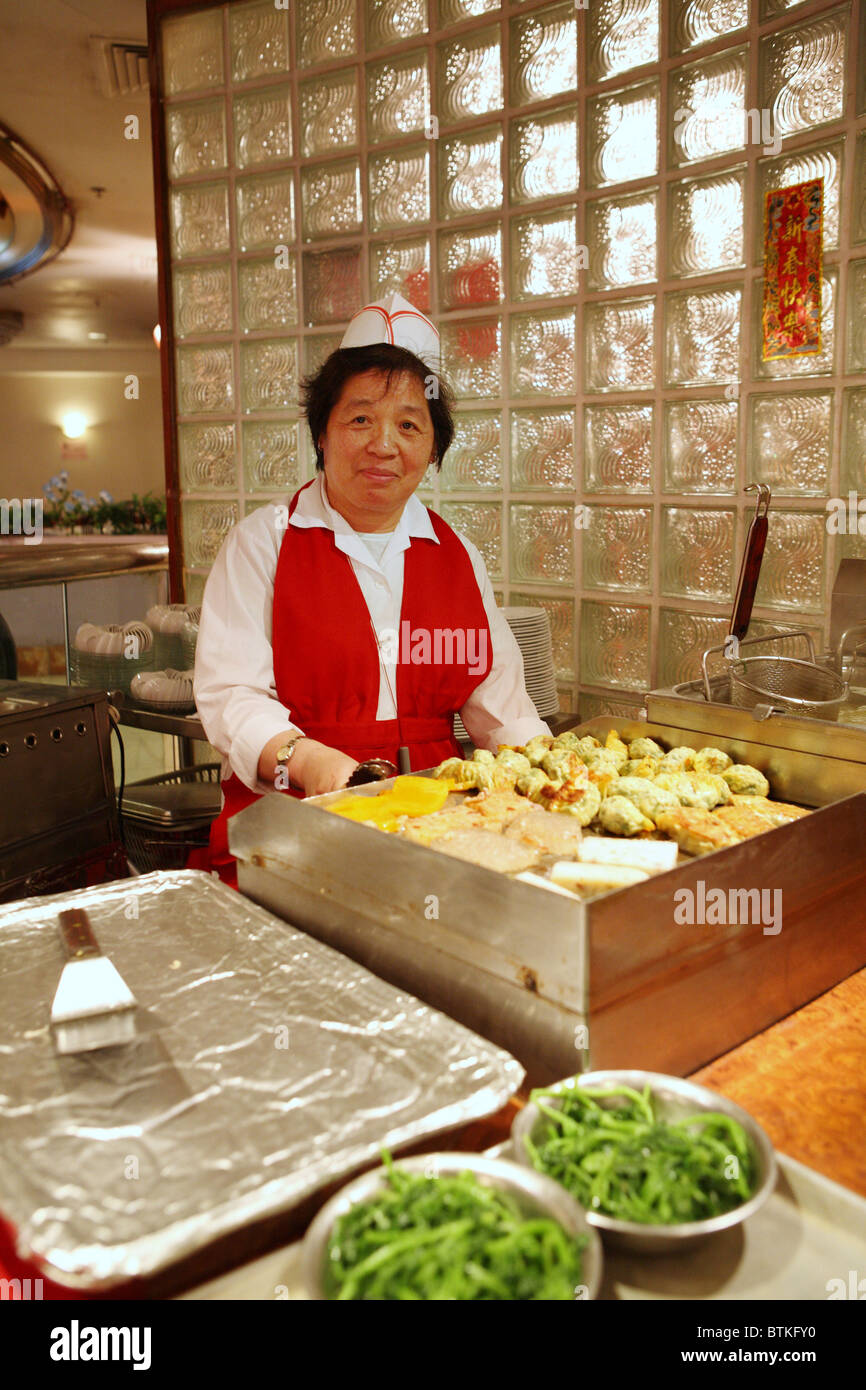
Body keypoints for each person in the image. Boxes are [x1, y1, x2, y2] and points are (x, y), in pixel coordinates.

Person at [194, 294, 550, 886]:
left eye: (410, 424)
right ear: (322, 434)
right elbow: (234, 695)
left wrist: (548, 777)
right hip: (295, 816)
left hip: (438, 828)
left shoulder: (456, 554)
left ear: (433, 450)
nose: (384, 444)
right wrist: (308, 762)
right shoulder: (265, 543)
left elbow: (504, 711)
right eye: (360, 418)